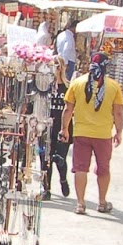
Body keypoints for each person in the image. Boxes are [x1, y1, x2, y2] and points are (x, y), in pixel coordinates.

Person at [60, 52, 123, 215]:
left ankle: (80, 204)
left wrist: (64, 129)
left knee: (80, 168)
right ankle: (102, 202)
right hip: (103, 134)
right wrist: (118, 131)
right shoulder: (113, 86)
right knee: (104, 168)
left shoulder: (77, 83)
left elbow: (68, 109)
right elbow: (118, 112)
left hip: (81, 132)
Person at [38, 58, 69, 200]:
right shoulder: (44, 86)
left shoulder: (68, 87)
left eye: (56, 65)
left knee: (59, 158)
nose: (54, 68)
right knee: (45, 158)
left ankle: (63, 179)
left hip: (62, 126)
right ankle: (46, 188)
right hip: (46, 126)